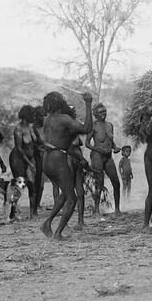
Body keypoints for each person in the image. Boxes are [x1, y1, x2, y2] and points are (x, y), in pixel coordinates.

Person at [40, 91, 95, 240]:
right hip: (58, 159)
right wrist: (88, 103)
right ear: (59, 102)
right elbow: (87, 129)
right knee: (72, 199)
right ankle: (57, 233)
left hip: (47, 159)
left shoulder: (48, 119)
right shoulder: (64, 119)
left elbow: (62, 142)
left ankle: (47, 223)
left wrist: (79, 158)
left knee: (65, 194)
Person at [87, 102, 122, 215]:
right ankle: (96, 209)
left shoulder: (110, 125)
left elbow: (111, 141)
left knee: (116, 183)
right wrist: (97, 150)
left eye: (105, 111)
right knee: (99, 184)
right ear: (95, 114)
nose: (104, 113)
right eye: (101, 112)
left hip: (108, 156)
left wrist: (115, 147)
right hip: (97, 156)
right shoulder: (93, 126)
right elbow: (87, 143)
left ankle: (117, 209)